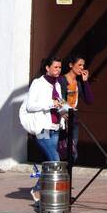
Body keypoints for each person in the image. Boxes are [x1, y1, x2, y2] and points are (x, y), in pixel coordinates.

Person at [21, 56, 68, 202]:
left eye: (60, 67)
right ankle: (37, 190)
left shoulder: (58, 84)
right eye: (55, 67)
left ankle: (42, 190)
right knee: (55, 160)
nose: (58, 70)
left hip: (54, 128)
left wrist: (64, 110)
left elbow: (59, 103)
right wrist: (51, 103)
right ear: (47, 68)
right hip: (42, 129)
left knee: (49, 163)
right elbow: (30, 106)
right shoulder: (38, 83)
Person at [62, 53, 94, 163]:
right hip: (62, 120)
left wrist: (85, 81)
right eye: (79, 65)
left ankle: (67, 176)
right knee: (62, 151)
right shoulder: (62, 81)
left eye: (83, 65)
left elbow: (89, 100)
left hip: (73, 121)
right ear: (71, 65)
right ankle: (63, 177)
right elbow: (56, 99)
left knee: (73, 153)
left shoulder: (79, 83)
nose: (82, 68)